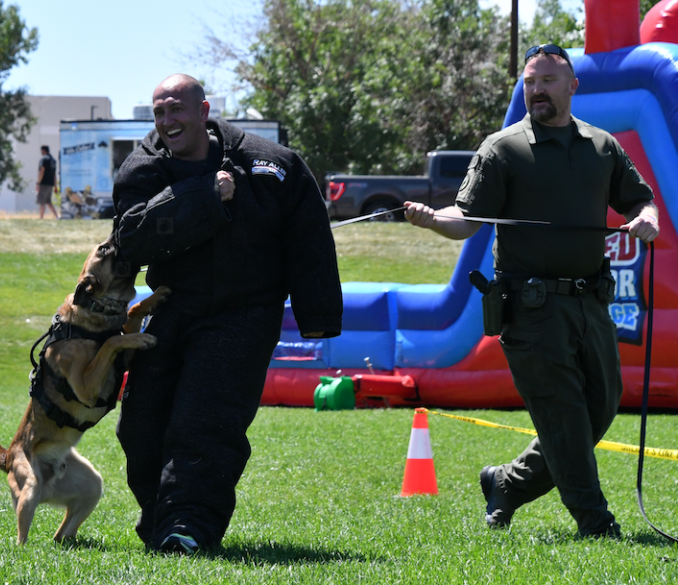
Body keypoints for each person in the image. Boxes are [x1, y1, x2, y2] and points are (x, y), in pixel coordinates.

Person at [404, 44, 659, 538]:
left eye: (547, 80)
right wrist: (435, 220)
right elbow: (467, 219)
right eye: (529, 82)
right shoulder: (503, 148)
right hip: (532, 309)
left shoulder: (601, 146)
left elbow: (640, 199)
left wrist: (644, 219)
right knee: (563, 414)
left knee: (601, 406)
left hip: (591, 302)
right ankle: (596, 521)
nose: (536, 90)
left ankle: (507, 484)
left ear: (572, 86)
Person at [111, 74, 342, 554]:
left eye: (176, 109)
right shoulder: (143, 168)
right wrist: (204, 196)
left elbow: (309, 237)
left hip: (243, 314)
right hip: (172, 307)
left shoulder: (272, 165)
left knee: (205, 421)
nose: (167, 121)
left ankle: (189, 525)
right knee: (140, 424)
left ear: (203, 110)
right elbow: (130, 237)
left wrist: (317, 313)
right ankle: (162, 519)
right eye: (159, 112)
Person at [36, 145, 59, 219]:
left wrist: (38, 183)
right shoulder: (53, 160)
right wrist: (55, 186)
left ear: (43, 151)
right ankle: (56, 216)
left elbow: (42, 171)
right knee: (48, 202)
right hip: (50, 184)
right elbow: (54, 174)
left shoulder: (44, 159)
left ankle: (41, 218)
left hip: (44, 183)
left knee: (41, 201)